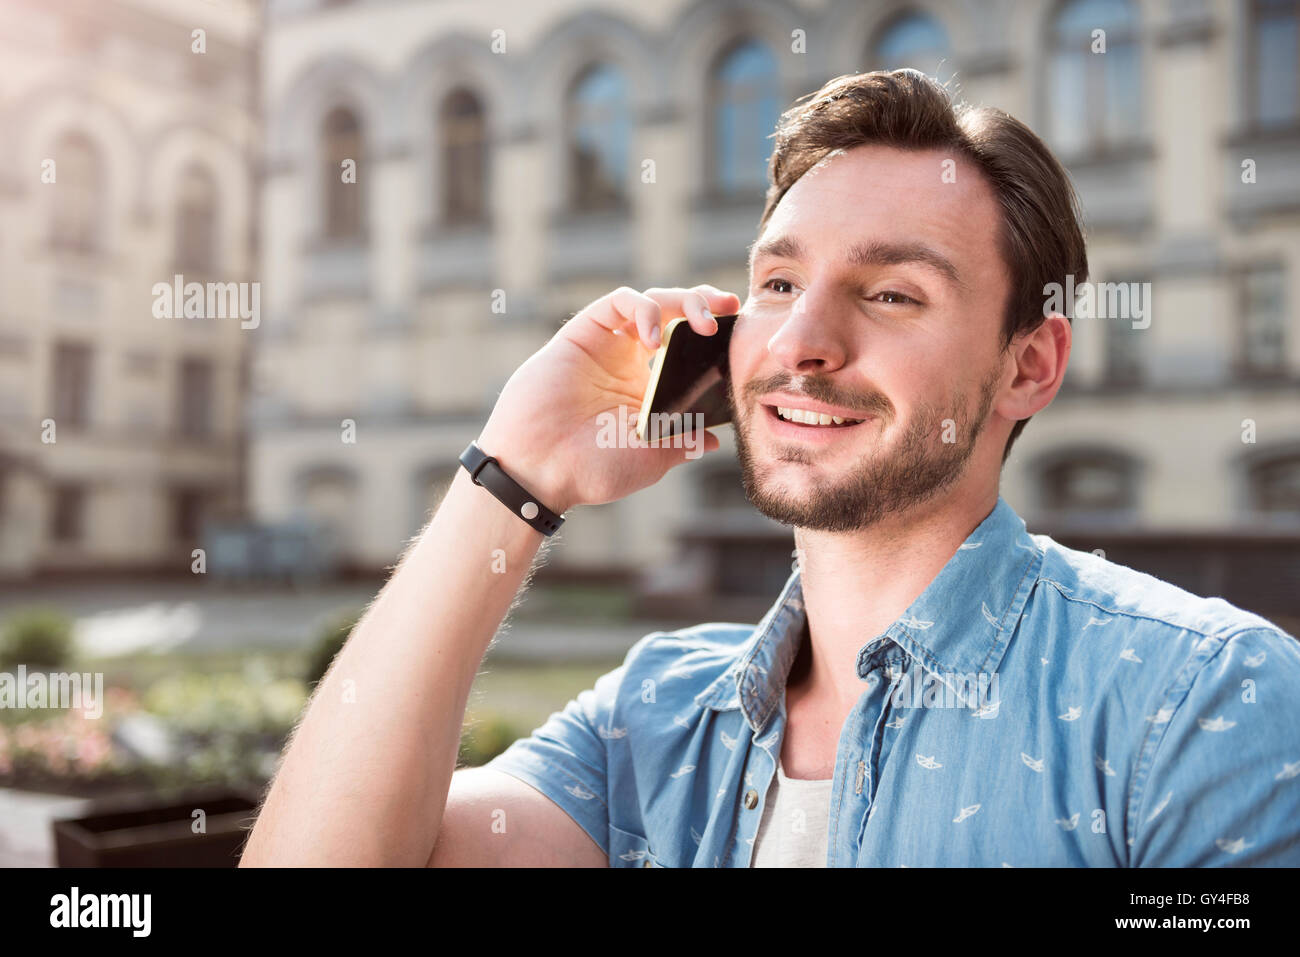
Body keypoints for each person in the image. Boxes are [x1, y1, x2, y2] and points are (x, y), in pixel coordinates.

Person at [241, 70, 1300, 867]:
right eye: (781, 282)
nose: (804, 343)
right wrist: (513, 478)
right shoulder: (652, 719)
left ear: (1028, 366)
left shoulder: (1200, 699)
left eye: (891, 294)